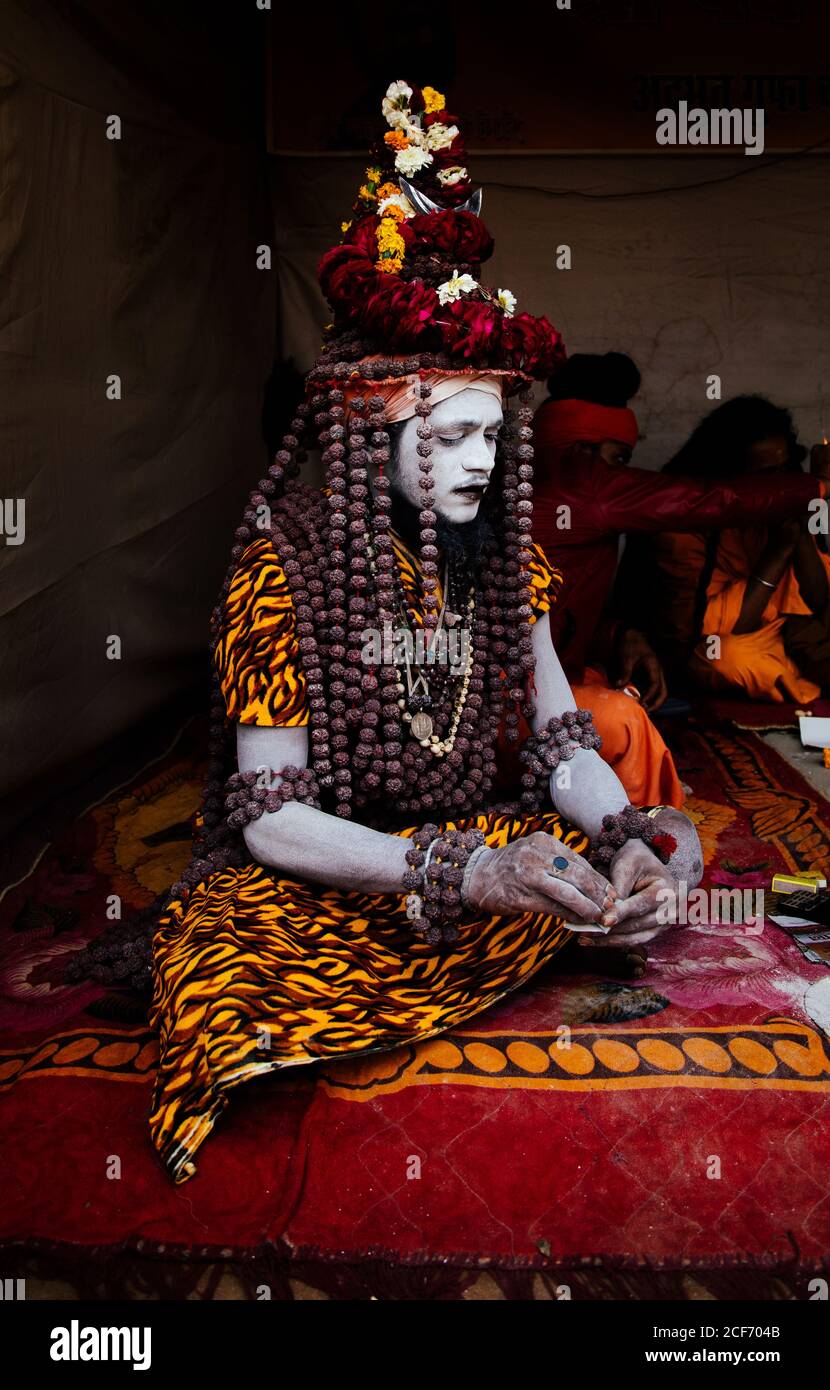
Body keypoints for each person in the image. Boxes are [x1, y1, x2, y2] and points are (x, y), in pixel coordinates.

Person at [68, 81, 703, 1186]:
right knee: (219, 975)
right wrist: (455, 867)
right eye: (451, 432)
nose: (478, 461)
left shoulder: (503, 554)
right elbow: (270, 816)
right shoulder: (281, 567)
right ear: (369, 424)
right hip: (332, 875)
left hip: (465, 855)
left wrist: (625, 830)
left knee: (589, 897)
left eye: (491, 436)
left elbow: (557, 738)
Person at [532, 355, 828, 802]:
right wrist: (817, 487)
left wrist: (618, 635)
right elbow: (708, 501)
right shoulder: (586, 480)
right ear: (584, 450)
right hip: (520, 688)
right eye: (621, 459)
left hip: (555, 666)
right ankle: (647, 837)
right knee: (626, 714)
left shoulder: (566, 480)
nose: (626, 474)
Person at [636, 397, 830, 702]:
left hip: (784, 635)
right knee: (722, 658)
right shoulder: (685, 524)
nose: (777, 482)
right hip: (720, 643)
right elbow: (706, 628)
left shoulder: (780, 502)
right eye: (764, 475)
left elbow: (817, 598)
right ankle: (798, 679)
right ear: (729, 473)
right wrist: (778, 552)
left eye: (783, 469)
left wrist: (800, 523)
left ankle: (798, 673)